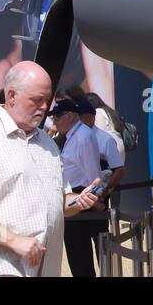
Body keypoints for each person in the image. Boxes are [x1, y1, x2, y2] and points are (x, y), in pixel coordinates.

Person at [0, 62, 99, 277]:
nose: (44, 107)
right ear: (11, 96)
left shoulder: (47, 143)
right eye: (36, 100)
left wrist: (77, 201)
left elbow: (58, 201)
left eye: (46, 100)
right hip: (4, 269)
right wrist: (13, 241)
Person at [52, 98, 120, 276]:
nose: (54, 121)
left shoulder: (82, 136)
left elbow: (93, 173)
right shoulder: (73, 136)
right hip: (77, 197)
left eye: (57, 117)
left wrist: (96, 199)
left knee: (88, 253)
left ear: (70, 116)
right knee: (78, 255)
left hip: (83, 198)